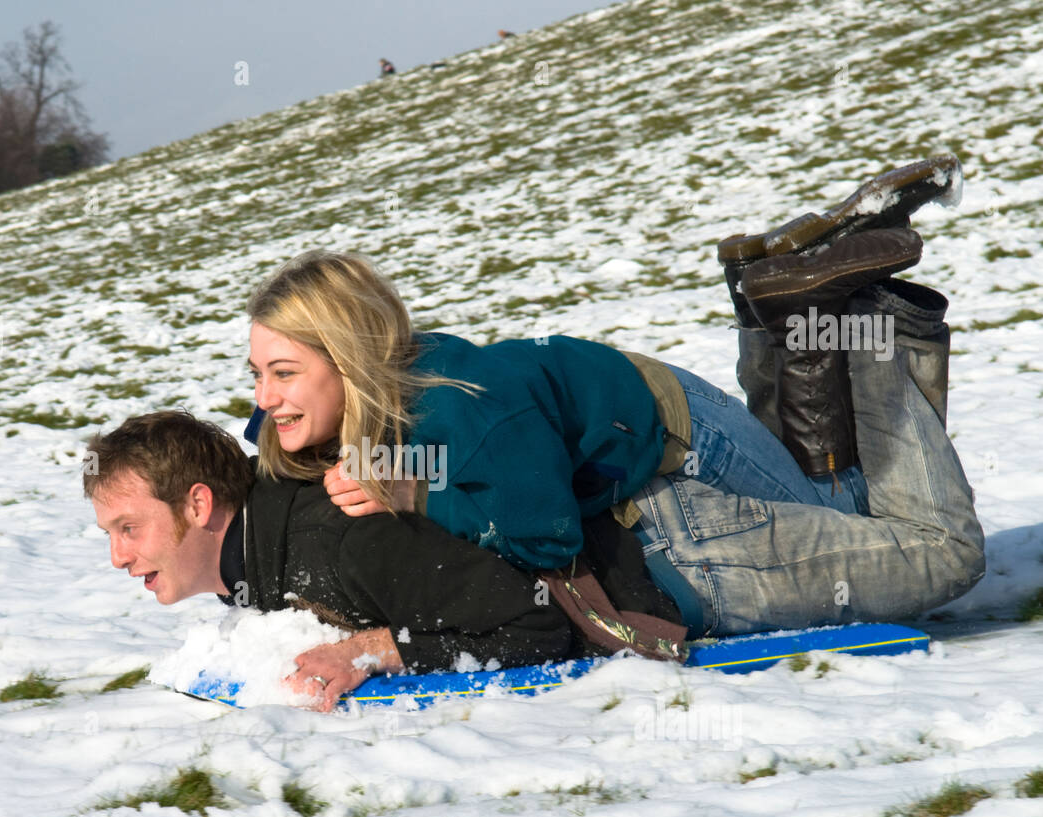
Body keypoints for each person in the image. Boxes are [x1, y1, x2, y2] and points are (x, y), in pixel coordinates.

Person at [240, 156, 985, 639]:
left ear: (348, 361)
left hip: (676, 430)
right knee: (844, 519)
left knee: (867, 532)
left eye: (283, 372)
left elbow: (547, 535)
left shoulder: (460, 418)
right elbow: (280, 424)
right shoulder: (379, 394)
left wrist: (414, 495)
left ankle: (860, 312)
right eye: (256, 373)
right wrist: (281, 425)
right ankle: (777, 296)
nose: (265, 397)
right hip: (633, 420)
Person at [84, 409, 577, 712]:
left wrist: (372, 650)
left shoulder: (345, 542)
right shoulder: (249, 550)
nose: (117, 557)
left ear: (198, 505)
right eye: (110, 534)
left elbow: (539, 626)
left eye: (129, 528)